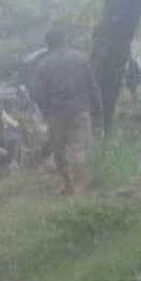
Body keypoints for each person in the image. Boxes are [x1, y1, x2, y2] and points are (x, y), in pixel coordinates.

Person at [32, 28, 103, 196]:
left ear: (48, 45)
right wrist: (97, 110)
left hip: (56, 114)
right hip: (80, 110)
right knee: (79, 149)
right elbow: (92, 86)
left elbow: (39, 94)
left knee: (59, 152)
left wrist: (46, 112)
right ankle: (80, 187)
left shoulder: (43, 65)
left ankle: (68, 185)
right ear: (65, 40)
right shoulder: (81, 58)